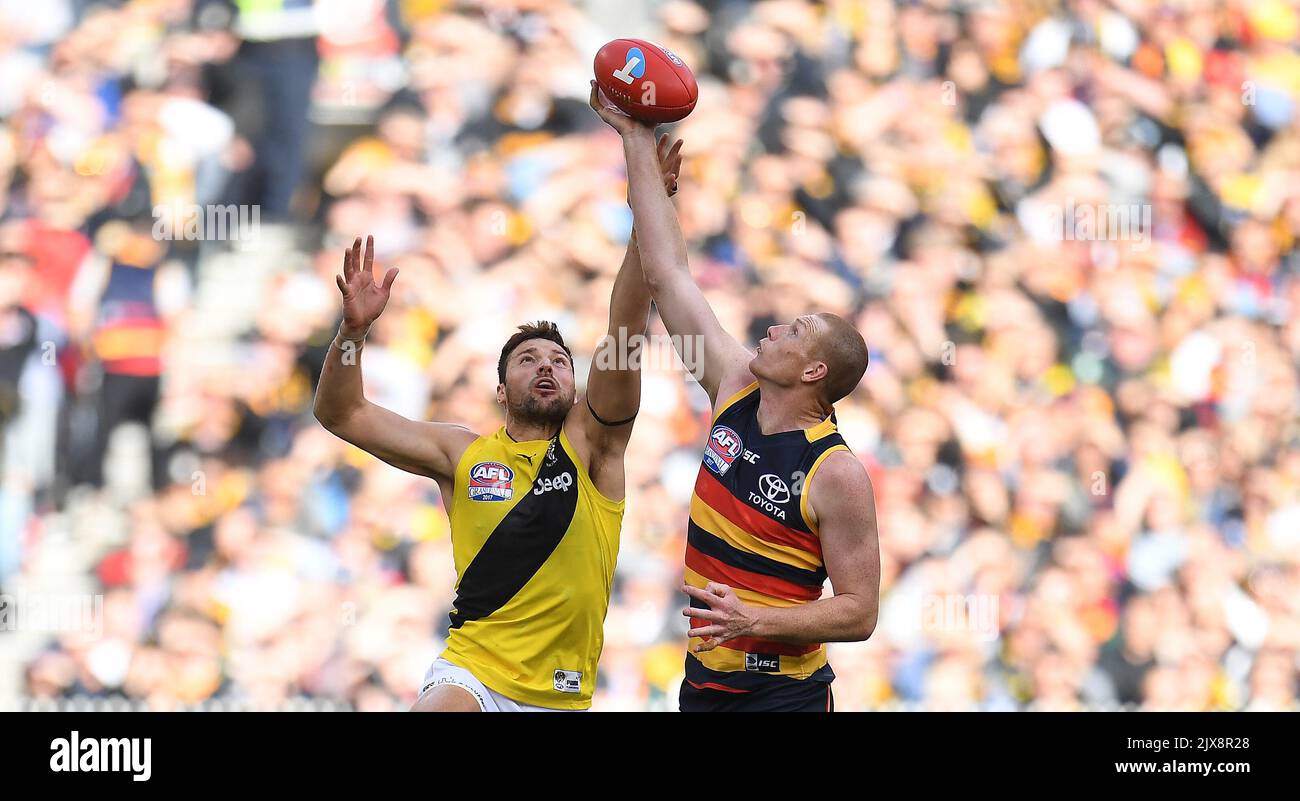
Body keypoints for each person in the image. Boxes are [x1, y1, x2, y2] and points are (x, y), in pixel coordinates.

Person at [312, 137, 683, 711]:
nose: (547, 368)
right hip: (473, 673)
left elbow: (626, 326)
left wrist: (645, 216)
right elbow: (342, 413)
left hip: (559, 696)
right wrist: (353, 333)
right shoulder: (460, 453)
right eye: (528, 360)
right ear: (501, 389)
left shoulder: (595, 447)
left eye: (560, 362)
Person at [590, 82, 881, 712]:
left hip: (784, 693)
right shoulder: (733, 385)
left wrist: (755, 620)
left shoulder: (837, 473)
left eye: (796, 332)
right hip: (704, 682)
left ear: (813, 374)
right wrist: (637, 140)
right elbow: (667, 273)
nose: (775, 328)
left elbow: (860, 613)